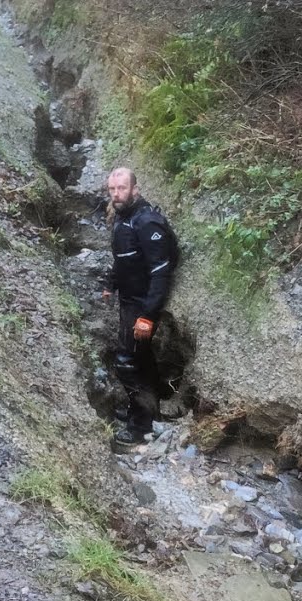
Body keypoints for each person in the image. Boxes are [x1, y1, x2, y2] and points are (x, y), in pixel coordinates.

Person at [102, 168, 179, 449]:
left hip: (143, 304)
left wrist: (148, 316)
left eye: (122, 188)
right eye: (112, 189)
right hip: (128, 300)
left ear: (135, 189)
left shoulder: (147, 222)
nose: (116, 194)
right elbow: (123, 258)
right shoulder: (123, 217)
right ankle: (149, 406)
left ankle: (140, 426)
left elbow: (161, 272)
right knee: (141, 356)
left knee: (127, 362)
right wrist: (111, 283)